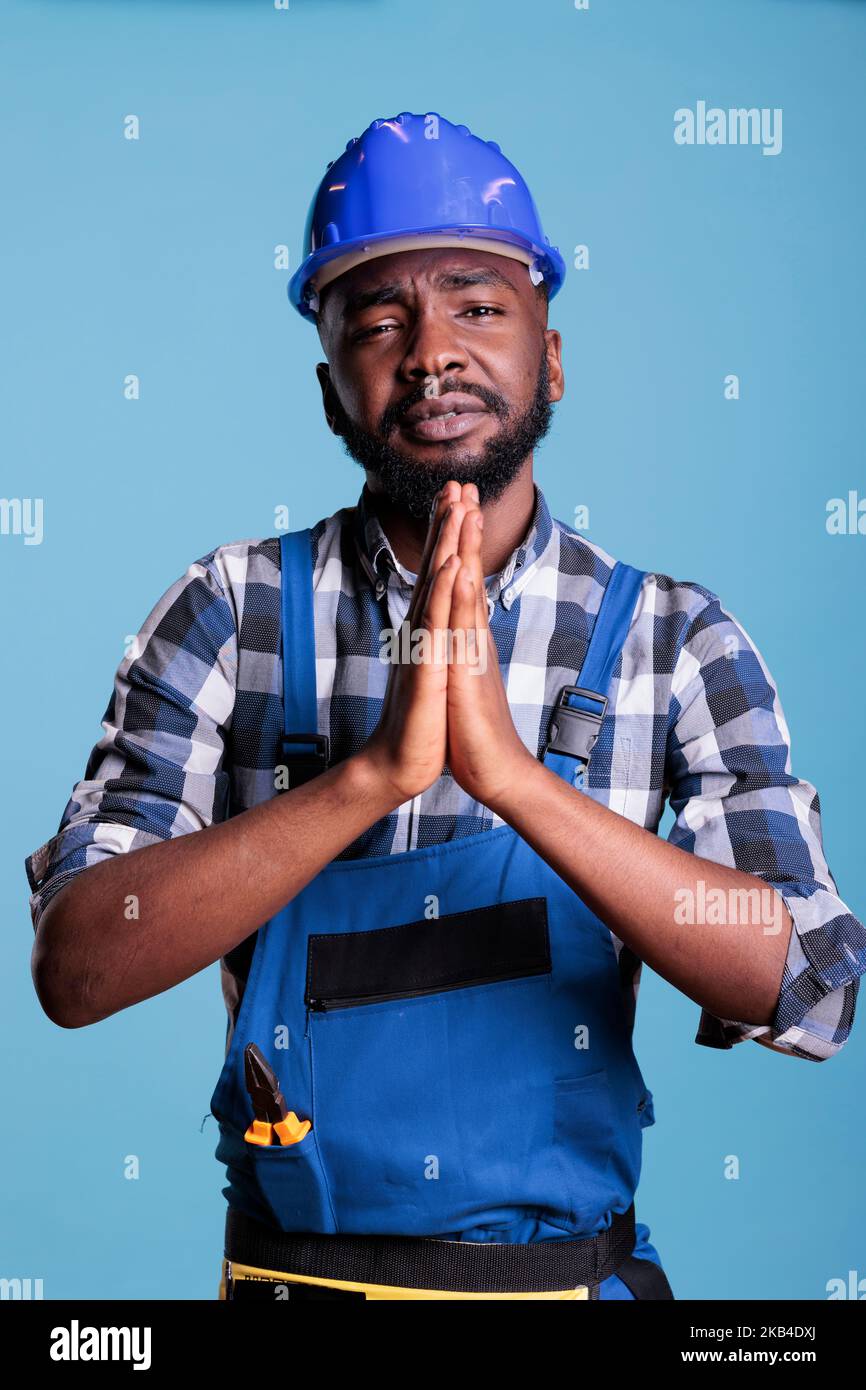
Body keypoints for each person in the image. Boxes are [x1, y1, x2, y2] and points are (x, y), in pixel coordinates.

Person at [27, 112, 865, 1301]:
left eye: (475, 306)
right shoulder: (227, 611)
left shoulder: (675, 640)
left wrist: (515, 783)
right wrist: (369, 776)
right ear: (331, 390)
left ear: (552, 356)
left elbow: (805, 986)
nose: (429, 354)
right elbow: (77, 968)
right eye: (378, 322)